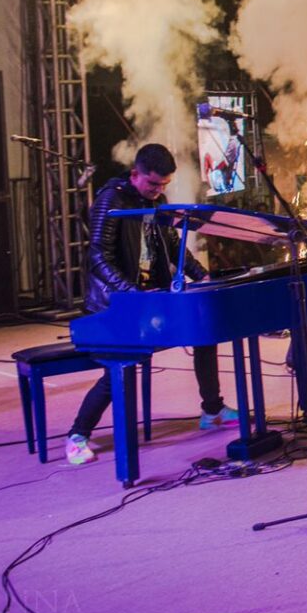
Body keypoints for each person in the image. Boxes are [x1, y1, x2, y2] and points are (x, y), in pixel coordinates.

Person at [65, 144, 236, 466]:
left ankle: (212, 410)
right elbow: (98, 256)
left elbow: (173, 246)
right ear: (135, 175)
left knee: (204, 332)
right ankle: (77, 435)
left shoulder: (157, 202)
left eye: (164, 186)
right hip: (113, 304)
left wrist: (201, 276)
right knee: (122, 366)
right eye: (152, 184)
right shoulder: (111, 200)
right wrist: (129, 292)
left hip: (148, 299)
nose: (158, 192)